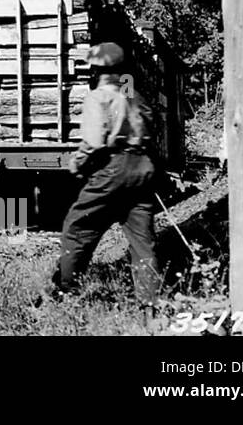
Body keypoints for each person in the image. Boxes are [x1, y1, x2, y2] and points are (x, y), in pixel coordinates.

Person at [52, 42, 162, 304]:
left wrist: (78, 162)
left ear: (95, 69)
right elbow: (152, 129)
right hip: (143, 168)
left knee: (77, 228)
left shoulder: (99, 96)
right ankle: (150, 306)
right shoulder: (135, 96)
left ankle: (65, 292)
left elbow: (94, 140)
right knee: (142, 242)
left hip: (114, 168)